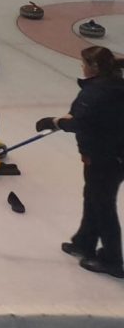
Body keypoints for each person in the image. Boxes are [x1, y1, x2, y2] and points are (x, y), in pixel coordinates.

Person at [38, 45, 124, 277]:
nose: (81, 67)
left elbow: (80, 122)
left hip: (105, 157)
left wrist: (54, 122)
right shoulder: (115, 85)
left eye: (83, 64)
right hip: (110, 155)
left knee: (103, 204)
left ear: (94, 67)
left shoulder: (96, 92)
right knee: (94, 197)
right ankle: (84, 241)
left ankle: (113, 259)